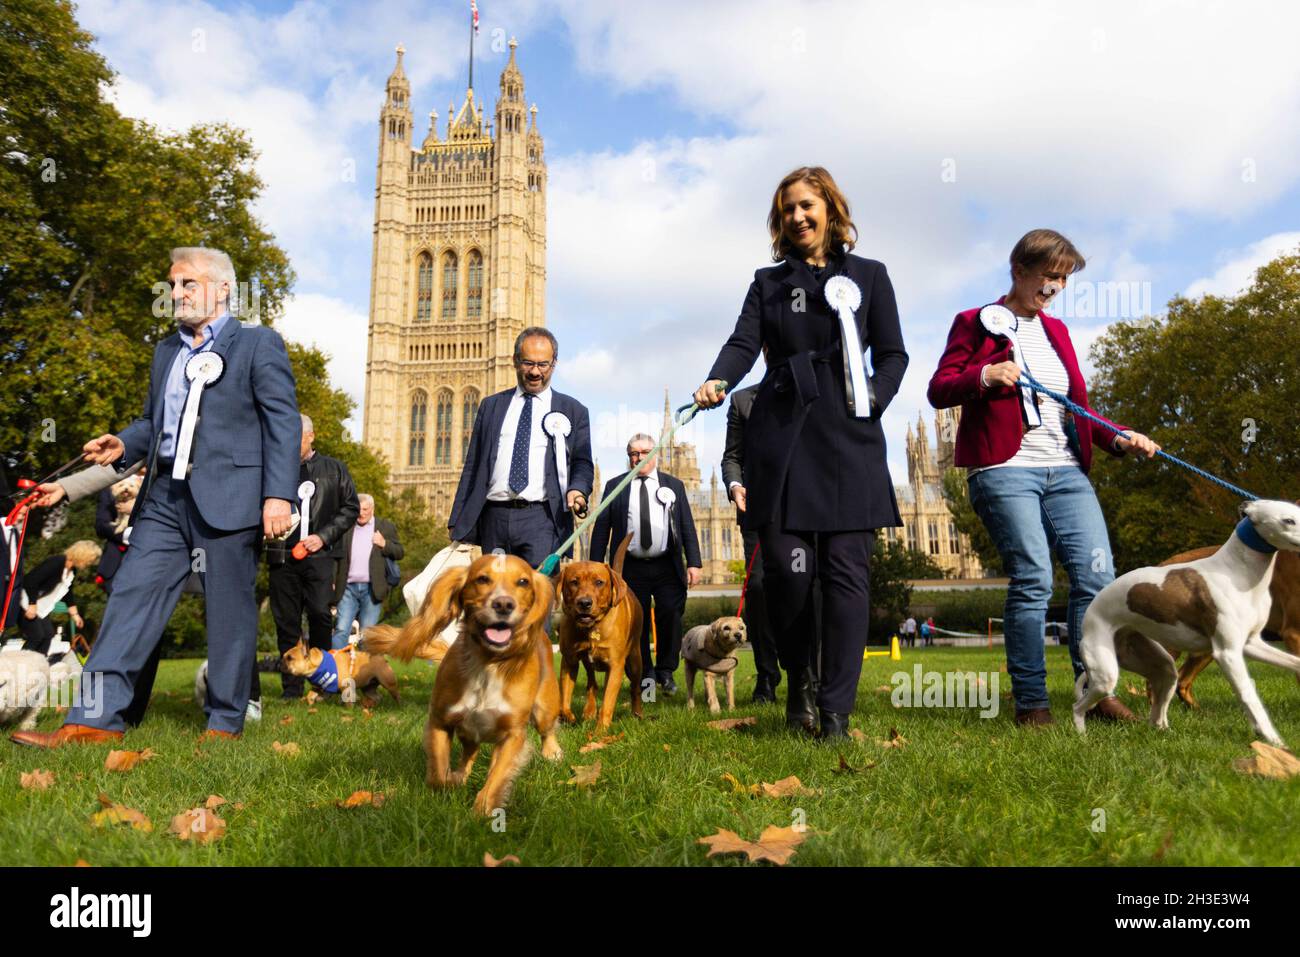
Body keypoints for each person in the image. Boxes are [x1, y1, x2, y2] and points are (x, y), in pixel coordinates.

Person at [10, 245, 300, 748]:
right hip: (164, 500)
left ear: (224, 288)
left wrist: (278, 496)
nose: (176, 293)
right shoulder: (166, 350)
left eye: (188, 283)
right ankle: (92, 723)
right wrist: (124, 442)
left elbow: (282, 422)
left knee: (229, 615)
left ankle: (224, 725)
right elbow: (154, 423)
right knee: (129, 598)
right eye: (172, 285)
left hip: (230, 501)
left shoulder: (258, 343)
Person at [693, 166, 909, 739]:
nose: (797, 216)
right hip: (782, 436)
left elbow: (892, 354)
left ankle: (835, 711)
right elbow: (744, 342)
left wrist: (871, 402)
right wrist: (718, 379)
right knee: (788, 576)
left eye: (807, 205)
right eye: (788, 208)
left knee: (846, 578)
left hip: (849, 438)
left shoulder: (871, 275)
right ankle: (800, 683)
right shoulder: (768, 282)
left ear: (831, 209)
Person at [926, 228, 1160, 726]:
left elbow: (1079, 407)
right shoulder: (974, 322)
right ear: (1020, 270)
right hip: (1005, 470)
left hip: (1068, 471)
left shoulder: (1059, 334)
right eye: (1049, 276)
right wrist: (985, 376)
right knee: (1033, 577)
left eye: (1064, 279)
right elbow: (940, 388)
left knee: (1097, 580)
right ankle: (1032, 703)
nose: (1055, 287)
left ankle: (1093, 692)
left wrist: (1118, 437)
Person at [449, 327, 593, 568]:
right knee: (494, 599)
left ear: (554, 364)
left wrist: (578, 490)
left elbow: (582, 463)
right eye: (528, 363)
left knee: (537, 596)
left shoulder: (573, 410)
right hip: (494, 516)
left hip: (542, 518)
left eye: (543, 364)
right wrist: (457, 520)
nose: (535, 372)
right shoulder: (491, 406)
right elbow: (473, 465)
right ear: (515, 361)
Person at [590, 433, 703, 694]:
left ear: (655, 455)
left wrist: (694, 562)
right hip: (630, 568)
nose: (638, 458)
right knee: (634, 623)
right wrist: (595, 568)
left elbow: (686, 524)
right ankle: (645, 675)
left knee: (671, 614)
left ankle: (666, 670)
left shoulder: (673, 485)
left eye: (643, 453)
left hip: (667, 564)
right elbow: (601, 529)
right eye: (633, 454)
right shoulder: (615, 486)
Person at [267, 414, 359, 699]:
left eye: (296, 437)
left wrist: (324, 536)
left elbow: (350, 508)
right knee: (286, 621)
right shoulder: (274, 469)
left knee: (320, 613)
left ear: (310, 436)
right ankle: (291, 688)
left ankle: (323, 682)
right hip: (282, 555)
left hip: (320, 556)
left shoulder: (334, 469)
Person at [721, 374, 783, 704]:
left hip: (803, 509)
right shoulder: (742, 400)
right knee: (758, 588)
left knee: (806, 587)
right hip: (758, 515)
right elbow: (732, 456)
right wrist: (735, 485)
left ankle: (809, 674)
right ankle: (766, 674)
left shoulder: (816, 390)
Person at [331, 493, 403, 650]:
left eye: (365, 509)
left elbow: (399, 552)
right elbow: (336, 556)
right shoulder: (345, 527)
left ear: (373, 509)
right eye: (358, 509)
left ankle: (366, 672)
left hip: (372, 589)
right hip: (347, 588)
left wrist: (384, 544)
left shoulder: (385, 526)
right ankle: (337, 669)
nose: (361, 513)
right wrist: (333, 580)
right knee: (341, 630)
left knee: (367, 634)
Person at [15, 541, 101, 656]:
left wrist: (75, 615)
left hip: (40, 608)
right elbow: (31, 581)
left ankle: (38, 665)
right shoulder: (57, 562)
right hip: (26, 602)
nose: (89, 564)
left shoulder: (72, 571)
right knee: (36, 636)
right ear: (82, 555)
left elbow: (67, 593)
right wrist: (32, 604)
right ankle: (21, 666)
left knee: (48, 635)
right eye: (89, 560)